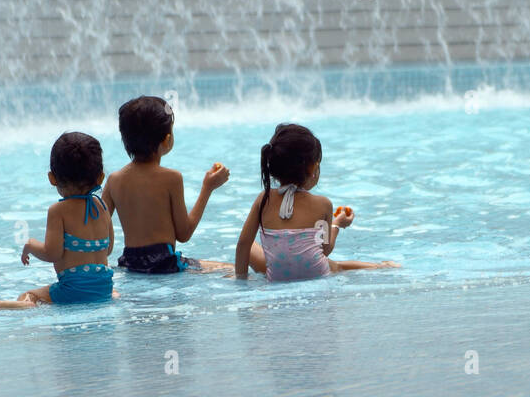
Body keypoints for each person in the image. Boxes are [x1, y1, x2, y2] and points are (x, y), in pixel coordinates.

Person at [234, 123, 397, 280]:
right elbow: (324, 249)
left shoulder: (264, 199)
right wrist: (337, 224)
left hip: (277, 277)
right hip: (316, 273)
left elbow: (243, 244)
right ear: (313, 168)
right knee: (336, 265)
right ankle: (380, 267)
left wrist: (241, 278)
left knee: (251, 246)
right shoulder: (323, 204)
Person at [0, 131, 118, 309]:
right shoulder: (102, 206)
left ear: (52, 178)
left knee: (29, 295)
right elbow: (108, 249)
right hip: (103, 288)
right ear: (100, 177)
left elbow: (52, 253)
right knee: (108, 292)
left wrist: (30, 245)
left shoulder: (58, 211)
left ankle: (27, 304)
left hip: (72, 291)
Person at [106, 96, 231, 273]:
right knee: (231, 270)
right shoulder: (172, 178)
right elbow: (184, 234)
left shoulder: (113, 180)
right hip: (164, 263)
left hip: (129, 263)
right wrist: (207, 188)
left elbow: (99, 228)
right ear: (167, 140)